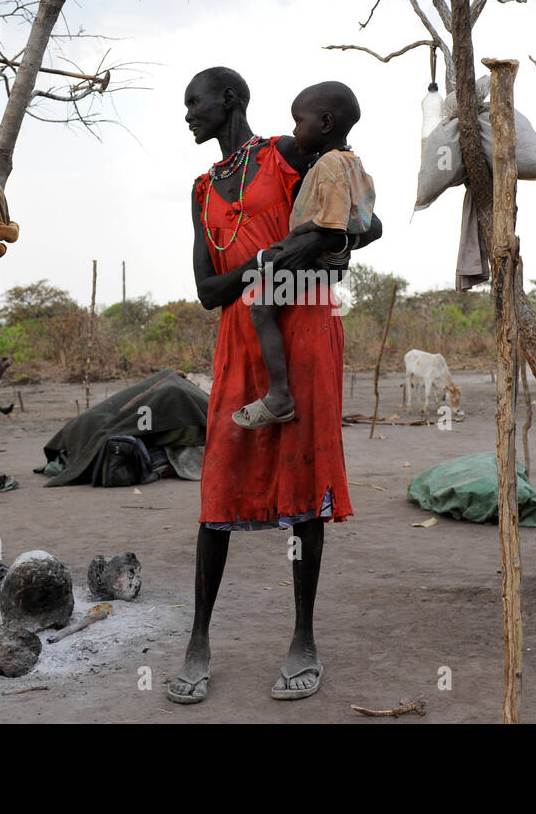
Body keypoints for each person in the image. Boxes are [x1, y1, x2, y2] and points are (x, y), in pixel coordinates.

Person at [168, 66, 382, 704]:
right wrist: (260, 269)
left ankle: (303, 640)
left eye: (194, 103)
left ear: (228, 100)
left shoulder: (287, 154)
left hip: (308, 324)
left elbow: (365, 221)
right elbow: (208, 291)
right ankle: (199, 640)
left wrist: (313, 254)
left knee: (302, 480)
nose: (187, 115)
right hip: (240, 337)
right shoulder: (201, 189)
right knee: (219, 486)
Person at [232, 81, 376, 429]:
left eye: (299, 121)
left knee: (262, 308)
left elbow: (332, 224)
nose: (295, 130)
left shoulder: (327, 165)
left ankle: (279, 395)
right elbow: (366, 217)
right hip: (333, 261)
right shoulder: (352, 162)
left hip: (318, 260)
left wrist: (295, 241)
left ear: (325, 123)